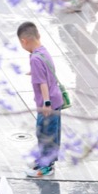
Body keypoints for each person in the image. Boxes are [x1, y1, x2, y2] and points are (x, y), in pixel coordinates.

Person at [17, 21, 63, 178]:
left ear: (24, 41)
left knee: (45, 133)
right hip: (56, 99)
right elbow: (47, 70)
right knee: (51, 132)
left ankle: (46, 166)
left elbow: (42, 83)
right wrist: (33, 72)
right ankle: (45, 159)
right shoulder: (43, 52)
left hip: (47, 104)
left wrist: (46, 103)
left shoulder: (35, 59)